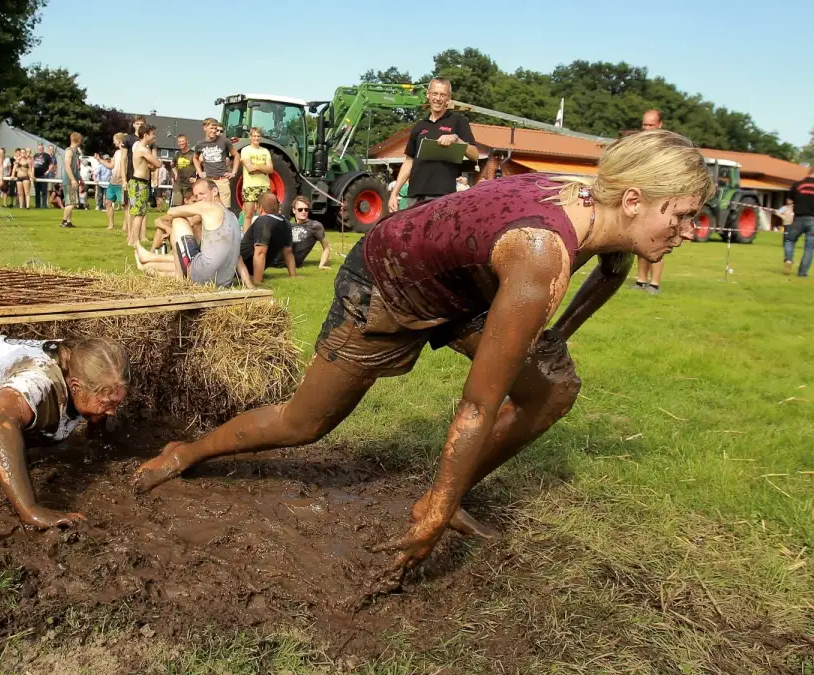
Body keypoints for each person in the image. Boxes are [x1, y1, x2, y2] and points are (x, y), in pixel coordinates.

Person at [134, 130, 714, 591]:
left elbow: (611, 270)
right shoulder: (543, 253)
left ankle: (446, 495)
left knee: (553, 389)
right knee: (303, 423)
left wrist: (559, 334)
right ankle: (187, 452)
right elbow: (478, 405)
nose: (689, 233)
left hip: (465, 286)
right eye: (681, 215)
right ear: (633, 200)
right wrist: (435, 514)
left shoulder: (606, 205)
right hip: (388, 282)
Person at [0, 336, 128, 528]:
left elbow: (97, 406)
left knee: (56, 436)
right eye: (106, 403)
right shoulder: (37, 382)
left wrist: (97, 441)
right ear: (74, 385)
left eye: (117, 402)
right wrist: (31, 510)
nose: (112, 412)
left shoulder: (92, 365)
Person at [133, 178, 252, 288]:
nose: (199, 198)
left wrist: (190, 209)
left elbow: (172, 211)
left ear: (214, 191)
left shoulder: (208, 206)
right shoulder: (233, 217)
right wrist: (249, 285)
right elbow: (238, 257)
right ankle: (147, 265)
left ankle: (179, 280)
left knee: (179, 220)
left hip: (202, 275)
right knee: (196, 262)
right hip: (223, 282)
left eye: (202, 194)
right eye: (196, 196)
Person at [388, 78, 478, 212]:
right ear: (428, 95)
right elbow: (409, 161)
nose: (438, 98)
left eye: (443, 95)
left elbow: (475, 155)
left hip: (442, 195)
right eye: (435, 94)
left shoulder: (458, 121)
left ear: (448, 98)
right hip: (415, 195)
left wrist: (456, 139)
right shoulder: (419, 126)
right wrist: (394, 194)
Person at [634, 110, 667, 294]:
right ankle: (640, 281)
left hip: (660, 199)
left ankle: (654, 284)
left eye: (650, 125)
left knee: (658, 241)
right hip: (642, 197)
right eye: (644, 125)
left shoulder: (666, 146)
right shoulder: (639, 146)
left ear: (660, 125)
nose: (646, 129)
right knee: (640, 241)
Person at [240, 193, 296, 285]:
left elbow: (260, 252)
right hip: (248, 268)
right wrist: (293, 276)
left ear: (260, 207)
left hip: (239, 268)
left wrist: (257, 281)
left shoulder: (263, 221)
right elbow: (288, 252)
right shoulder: (285, 222)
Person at [127, 126, 162, 245]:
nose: (154, 136)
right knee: (139, 214)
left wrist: (151, 166)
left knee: (138, 212)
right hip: (139, 183)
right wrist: (158, 162)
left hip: (138, 182)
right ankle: (135, 241)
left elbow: (150, 166)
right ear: (145, 135)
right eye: (152, 134)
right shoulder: (143, 149)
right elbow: (157, 163)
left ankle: (131, 239)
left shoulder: (140, 147)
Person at [194, 118, 239, 208]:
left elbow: (237, 155)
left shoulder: (224, 141)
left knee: (225, 210)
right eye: (212, 128)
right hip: (208, 181)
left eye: (215, 129)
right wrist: (199, 172)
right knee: (207, 208)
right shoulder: (200, 144)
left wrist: (233, 172)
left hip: (222, 180)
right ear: (205, 128)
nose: (214, 131)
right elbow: (195, 158)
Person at [238, 127, 274, 229]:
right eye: (254, 136)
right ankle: (246, 237)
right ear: (250, 137)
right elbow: (250, 168)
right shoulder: (246, 150)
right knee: (248, 213)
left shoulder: (265, 151)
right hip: (250, 185)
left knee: (263, 214)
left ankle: (261, 236)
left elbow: (271, 169)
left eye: (258, 136)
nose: (256, 138)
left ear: (260, 137)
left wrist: (257, 166)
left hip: (264, 185)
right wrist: (263, 169)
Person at [783, 165, 814, 277]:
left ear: (809, 172)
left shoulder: (797, 185)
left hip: (798, 218)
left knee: (789, 240)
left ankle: (788, 259)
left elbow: (789, 201)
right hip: (813, 221)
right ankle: (802, 272)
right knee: (809, 248)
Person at [288, 195, 332, 270]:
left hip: (292, 263)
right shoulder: (288, 225)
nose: (303, 212)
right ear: (294, 210)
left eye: (306, 209)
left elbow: (326, 248)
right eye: (300, 209)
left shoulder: (315, 226)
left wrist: (321, 265)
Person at [61, 132, 83, 228]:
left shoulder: (75, 152)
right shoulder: (69, 151)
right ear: (78, 140)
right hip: (69, 180)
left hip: (73, 179)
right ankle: (64, 221)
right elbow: (67, 165)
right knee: (72, 202)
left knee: (70, 201)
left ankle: (68, 222)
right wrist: (73, 179)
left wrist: (80, 179)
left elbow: (75, 168)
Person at [172, 134, 198, 207]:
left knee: (189, 205)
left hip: (189, 184)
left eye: (183, 141)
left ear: (187, 142)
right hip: (178, 183)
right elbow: (172, 165)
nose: (181, 143)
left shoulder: (193, 154)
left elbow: (200, 167)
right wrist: (175, 173)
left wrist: (197, 178)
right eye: (179, 141)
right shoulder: (177, 155)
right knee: (177, 206)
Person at [32, 143, 53, 208]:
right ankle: (37, 205)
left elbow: (51, 164)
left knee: (44, 191)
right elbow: (32, 165)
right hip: (36, 176)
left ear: (43, 149)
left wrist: (48, 171)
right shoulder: (35, 156)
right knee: (37, 191)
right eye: (38, 148)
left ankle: (44, 205)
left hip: (43, 176)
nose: (40, 149)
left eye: (41, 148)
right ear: (37, 149)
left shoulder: (47, 156)